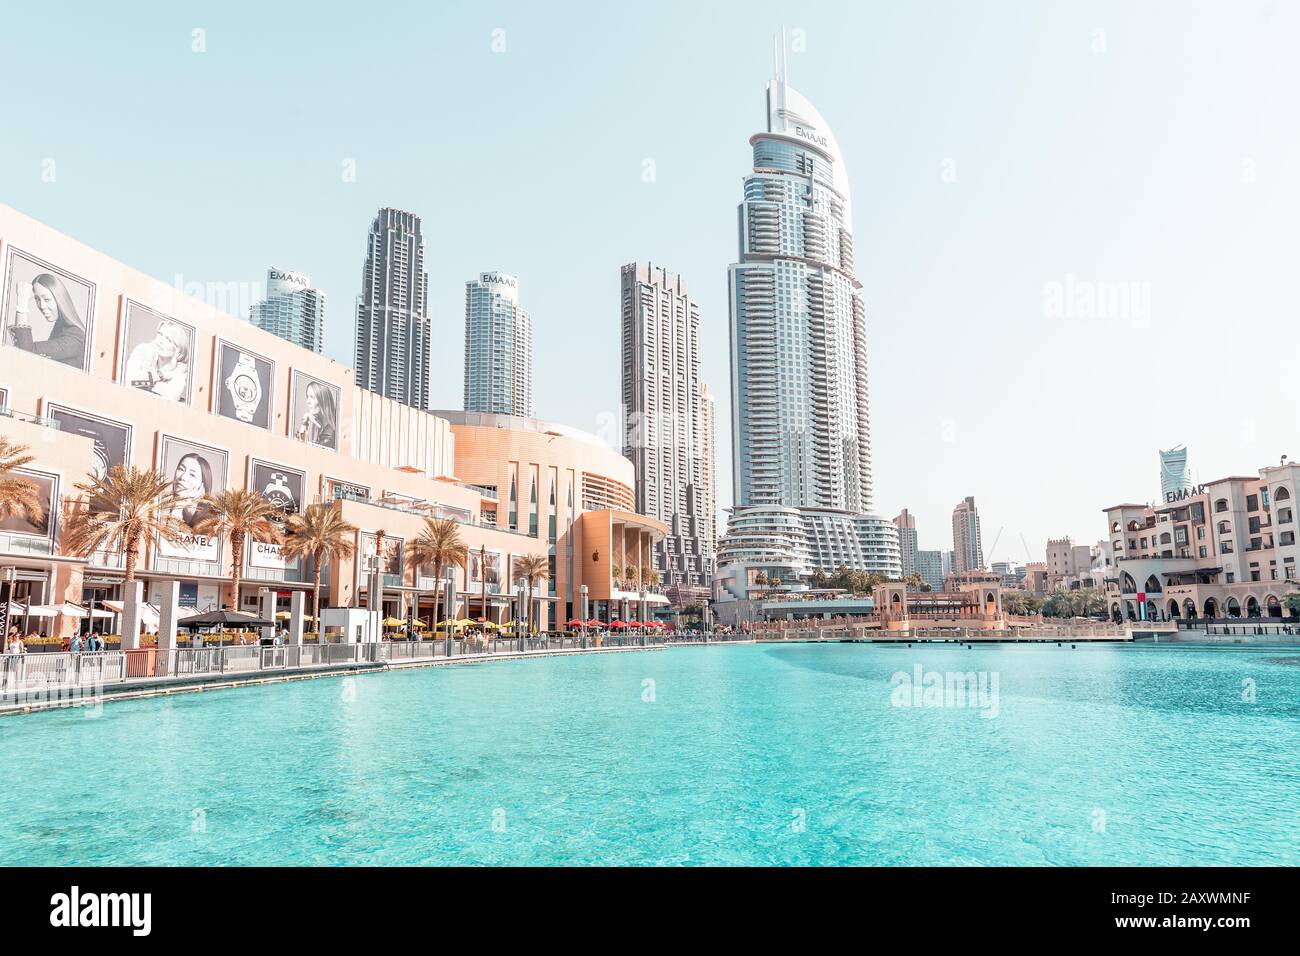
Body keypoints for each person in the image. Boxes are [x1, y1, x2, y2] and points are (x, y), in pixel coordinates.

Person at [6, 273, 87, 368]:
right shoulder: (61, 327)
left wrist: (22, 304)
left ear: (60, 299)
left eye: (47, 299)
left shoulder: (76, 337)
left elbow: (25, 353)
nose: (41, 306)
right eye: (37, 299)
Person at [124, 317, 190, 401]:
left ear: (178, 350)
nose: (160, 340)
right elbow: (127, 380)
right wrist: (156, 376)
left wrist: (144, 380)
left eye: (168, 339)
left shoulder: (181, 372)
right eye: (160, 334)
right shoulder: (143, 351)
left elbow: (171, 398)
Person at [169, 452, 213, 529]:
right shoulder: (165, 507)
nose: (183, 477)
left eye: (192, 475)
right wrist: (178, 506)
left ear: (203, 485)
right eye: (181, 469)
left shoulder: (210, 520)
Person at [294, 380, 337, 449]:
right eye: (307, 396)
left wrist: (304, 423)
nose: (308, 401)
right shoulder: (320, 426)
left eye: (312, 397)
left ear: (322, 400)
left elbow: (300, 449)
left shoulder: (329, 433)